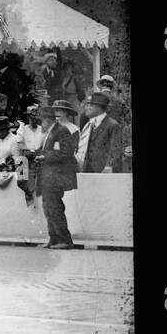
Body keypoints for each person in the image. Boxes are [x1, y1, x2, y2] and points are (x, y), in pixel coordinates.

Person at [33, 101, 78, 249]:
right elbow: (44, 150)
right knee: (48, 208)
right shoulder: (50, 133)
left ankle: (65, 240)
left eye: (41, 121)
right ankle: (54, 239)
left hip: (56, 177)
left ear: (48, 120)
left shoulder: (61, 131)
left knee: (54, 208)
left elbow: (66, 152)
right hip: (48, 178)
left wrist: (45, 156)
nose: (40, 125)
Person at [76, 92, 122, 173]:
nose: (86, 108)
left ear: (99, 108)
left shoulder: (112, 125)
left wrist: (109, 166)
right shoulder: (90, 124)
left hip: (105, 171)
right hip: (88, 171)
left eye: (91, 106)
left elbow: (116, 148)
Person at [15, 103, 47, 205]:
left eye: (37, 117)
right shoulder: (23, 129)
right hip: (26, 156)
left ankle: (38, 198)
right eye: (32, 117)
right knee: (22, 174)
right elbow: (19, 144)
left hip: (38, 156)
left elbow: (44, 145)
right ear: (28, 117)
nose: (35, 119)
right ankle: (28, 195)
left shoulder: (42, 130)